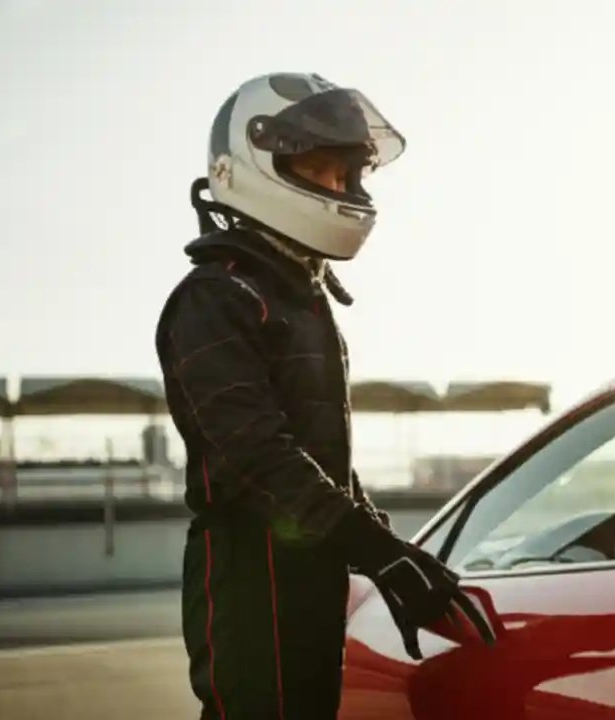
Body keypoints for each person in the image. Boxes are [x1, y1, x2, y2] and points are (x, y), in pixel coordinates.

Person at [155, 72, 495, 720]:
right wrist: (374, 550)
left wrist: (393, 550)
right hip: (250, 576)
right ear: (256, 166)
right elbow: (259, 459)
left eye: (347, 175)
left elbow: (324, 460)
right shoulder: (215, 296)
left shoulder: (299, 295)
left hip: (312, 571)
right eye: (323, 171)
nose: (341, 190)